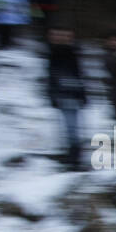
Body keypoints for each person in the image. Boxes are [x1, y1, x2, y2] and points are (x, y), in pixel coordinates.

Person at [46, 26, 87, 169]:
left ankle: (75, 158)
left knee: (72, 128)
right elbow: (51, 77)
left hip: (72, 95)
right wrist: (52, 95)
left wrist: (82, 95)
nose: (61, 38)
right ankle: (72, 156)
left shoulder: (72, 53)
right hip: (63, 95)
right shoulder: (53, 53)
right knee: (68, 128)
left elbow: (79, 75)